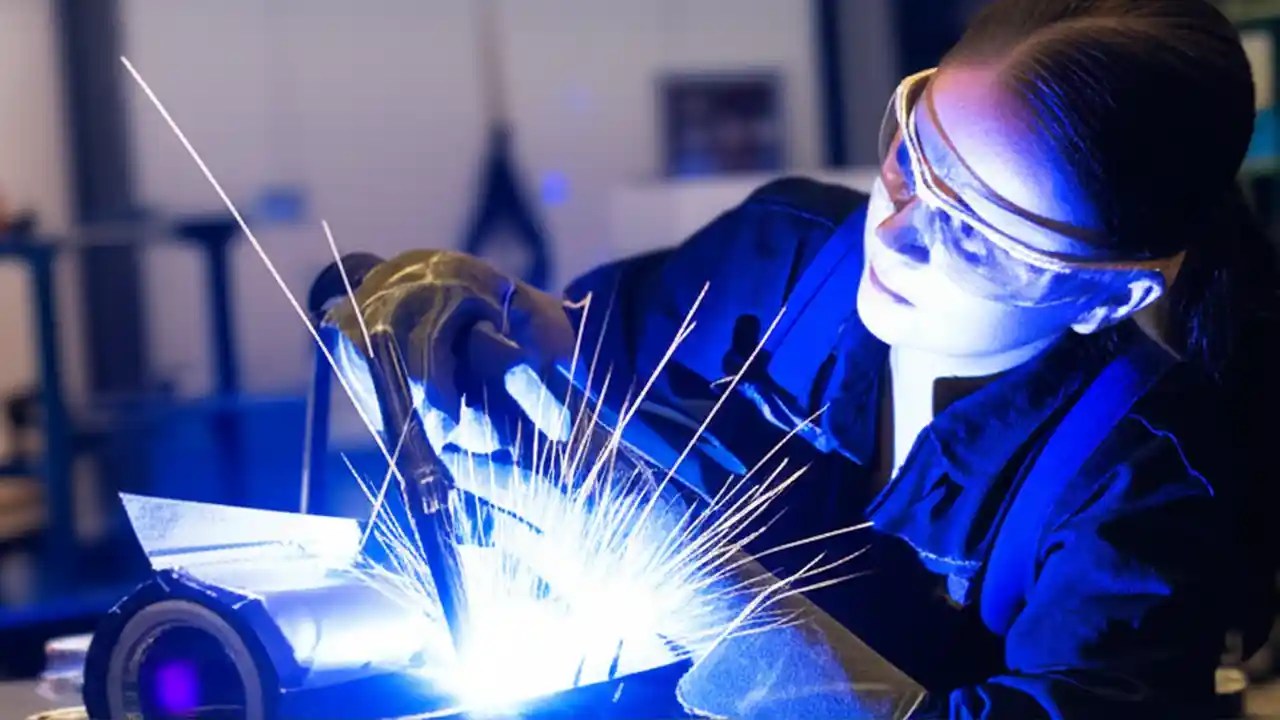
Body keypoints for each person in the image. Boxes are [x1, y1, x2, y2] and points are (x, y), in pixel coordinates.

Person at [331, 0, 1280, 716]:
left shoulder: (1146, 485)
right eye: (915, 153)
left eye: (981, 234)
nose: (898, 235)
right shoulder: (790, 254)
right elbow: (586, 347)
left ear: (1106, 293)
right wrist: (469, 312)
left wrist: (738, 618)